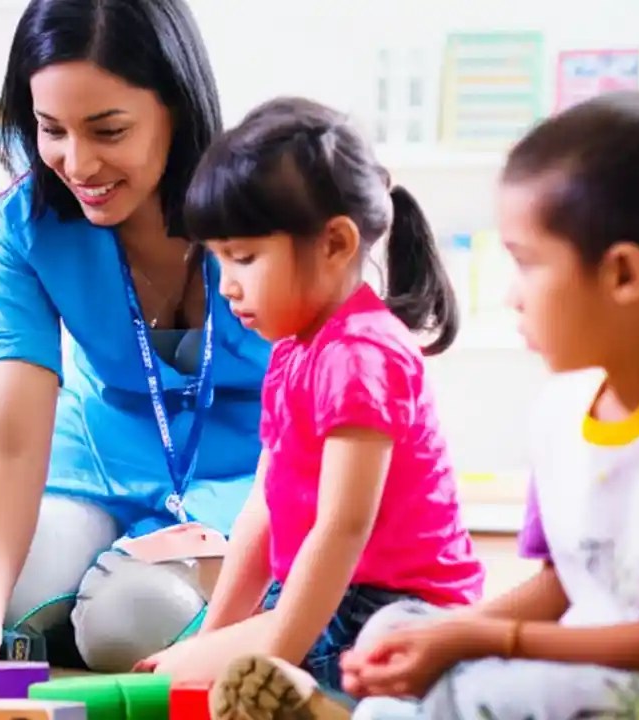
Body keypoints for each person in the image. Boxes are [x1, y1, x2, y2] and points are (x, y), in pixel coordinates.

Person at [0, 0, 272, 671]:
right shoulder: (25, 224)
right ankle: (87, 600)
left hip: (254, 472)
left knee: (129, 622)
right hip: (97, 459)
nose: (77, 162)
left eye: (108, 130)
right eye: (51, 129)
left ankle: (127, 614)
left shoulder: (268, 206)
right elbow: (11, 441)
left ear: (175, 108)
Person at [303, 90, 639, 720]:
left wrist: (486, 637)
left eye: (527, 263)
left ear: (624, 274)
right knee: (389, 630)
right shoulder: (562, 411)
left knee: (492, 689)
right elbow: (562, 583)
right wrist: (442, 636)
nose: (513, 295)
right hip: (578, 657)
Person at [134, 96, 485, 705]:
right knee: (175, 679)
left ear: (335, 244)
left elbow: (344, 526)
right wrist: (208, 641)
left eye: (244, 257)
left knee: (247, 683)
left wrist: (271, 656)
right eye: (218, 259)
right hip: (323, 598)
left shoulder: (363, 353)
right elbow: (262, 516)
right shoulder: (295, 354)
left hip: (400, 612)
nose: (229, 283)